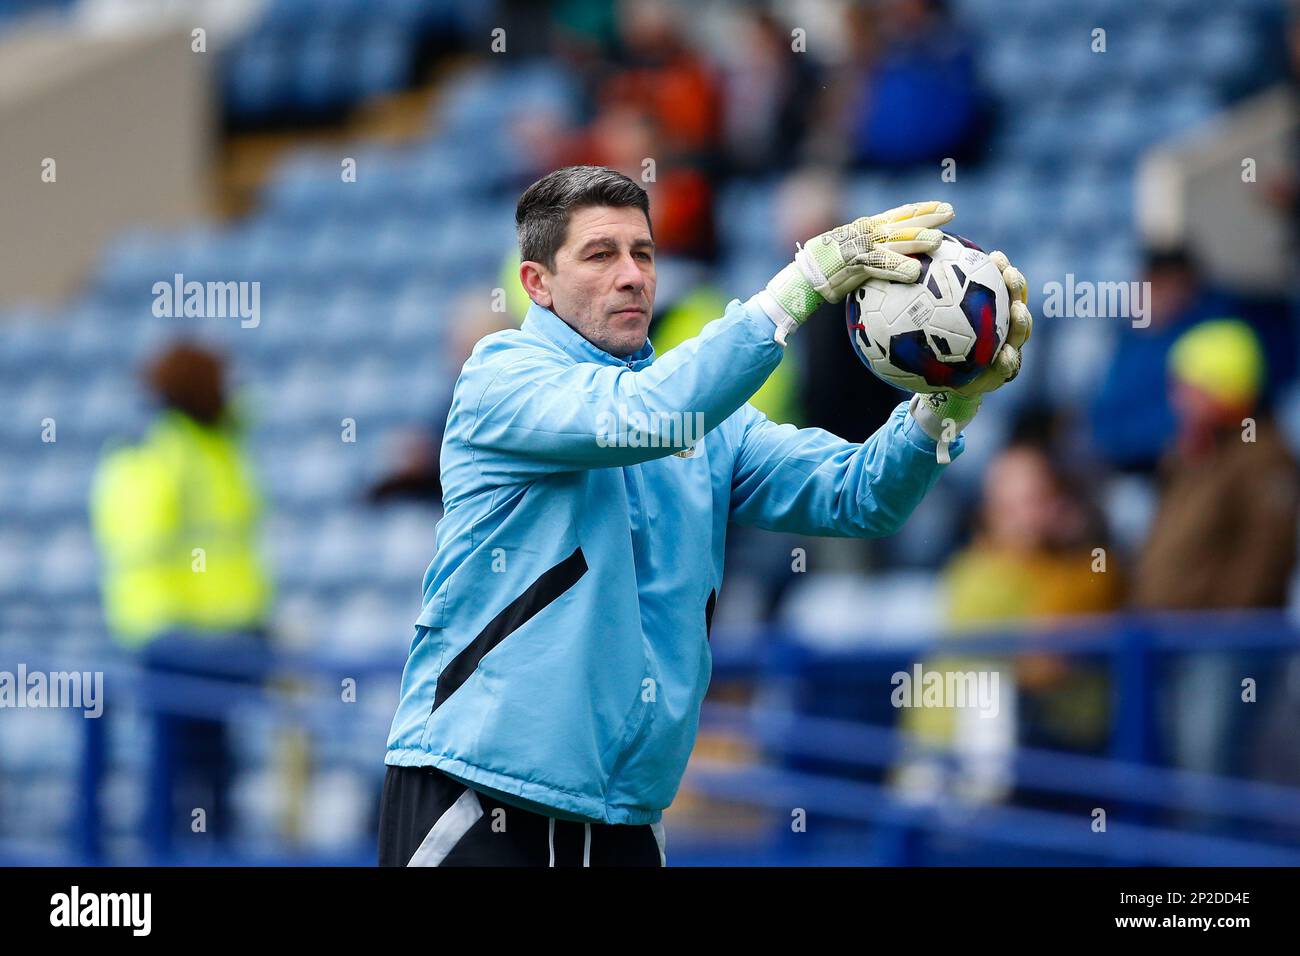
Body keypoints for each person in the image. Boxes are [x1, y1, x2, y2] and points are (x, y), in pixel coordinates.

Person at [377, 165, 1032, 866]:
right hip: (479, 798)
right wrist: (799, 286)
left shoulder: (708, 423)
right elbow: (647, 416)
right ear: (536, 283)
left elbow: (859, 496)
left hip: (626, 818)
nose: (631, 275)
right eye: (601, 255)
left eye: (644, 253)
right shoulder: (500, 375)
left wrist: (949, 401)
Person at [90, 342, 273, 856]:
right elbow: (136, 541)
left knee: (215, 766)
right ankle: (170, 854)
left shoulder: (217, 445)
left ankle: (211, 850)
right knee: (180, 766)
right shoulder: (157, 450)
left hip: (226, 635)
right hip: (174, 634)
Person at [1131, 320, 1299, 779]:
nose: (1178, 398)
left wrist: (1218, 624)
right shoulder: (1190, 453)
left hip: (1223, 648)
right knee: (1176, 773)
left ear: (1224, 388)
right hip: (1168, 640)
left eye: (1189, 386)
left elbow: (1266, 560)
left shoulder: (1265, 456)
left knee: (1209, 776)